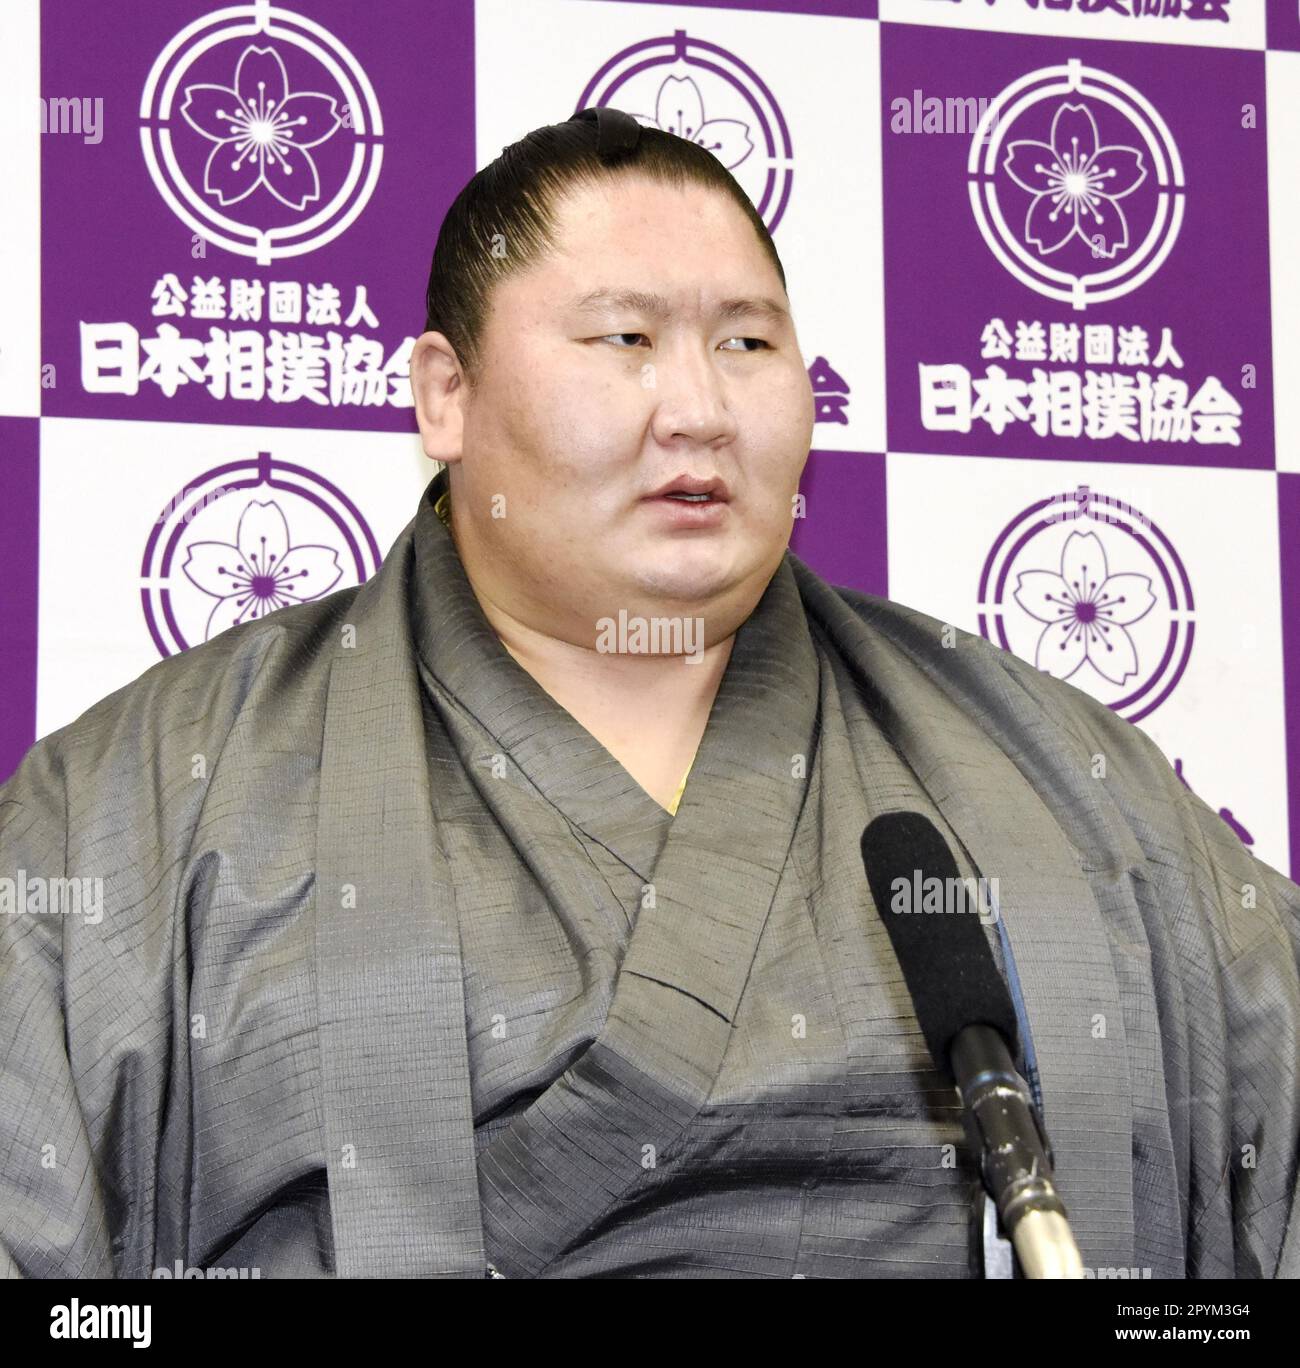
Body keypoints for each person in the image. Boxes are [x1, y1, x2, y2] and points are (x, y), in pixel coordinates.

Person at [1, 107, 1297, 1280]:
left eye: (746, 343)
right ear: (444, 396)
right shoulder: (139, 804)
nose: (698, 407)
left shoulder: (1052, 765)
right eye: (625, 339)